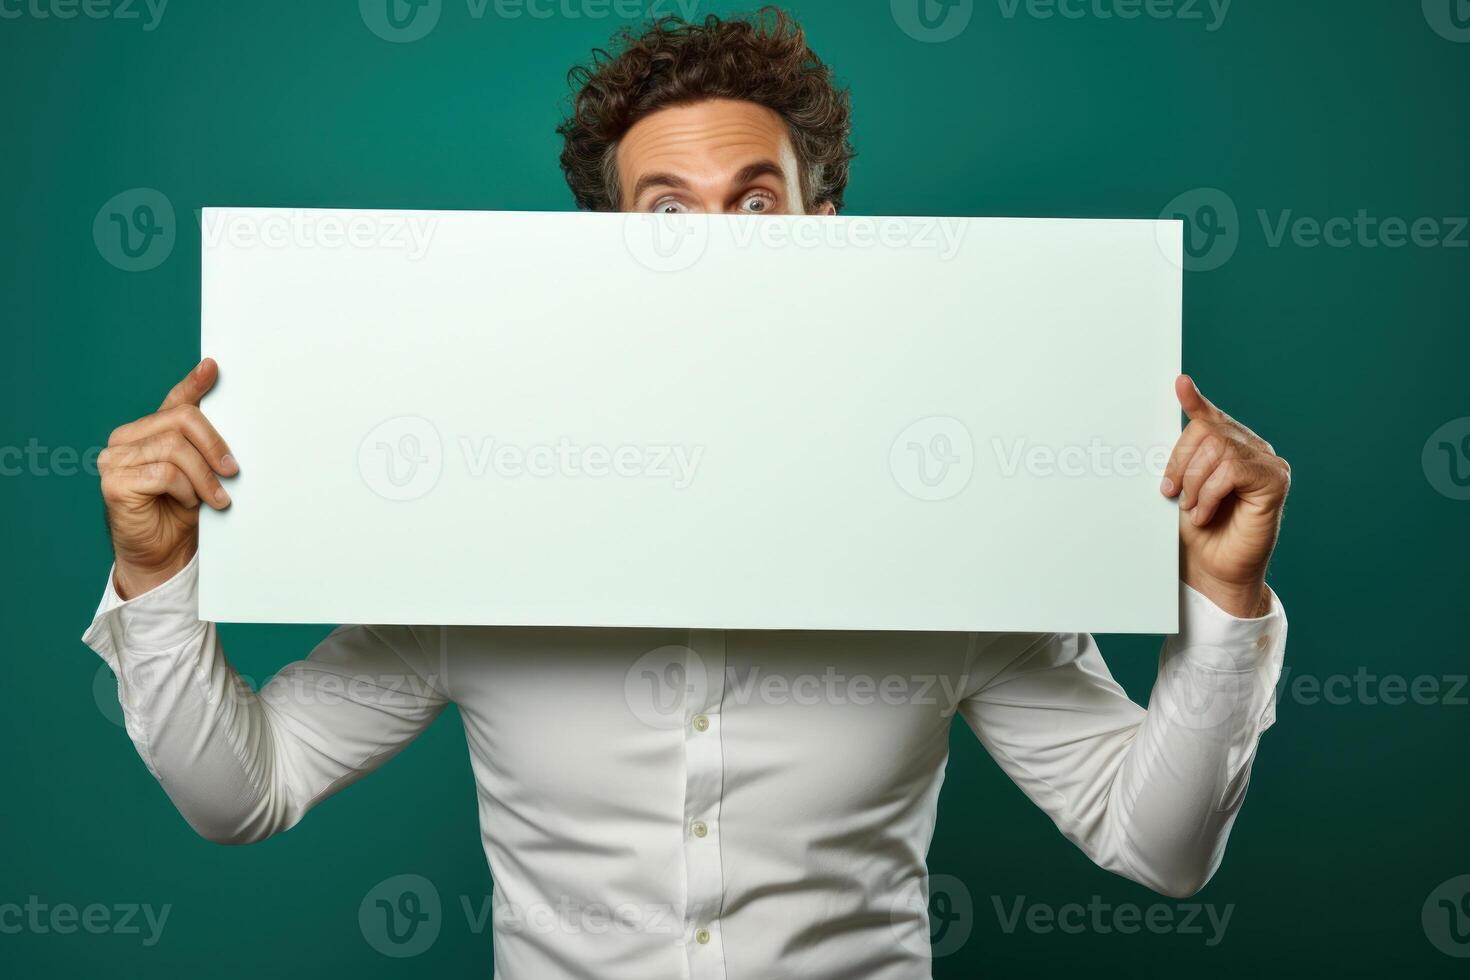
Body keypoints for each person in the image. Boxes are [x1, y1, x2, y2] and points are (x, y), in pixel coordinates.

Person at [85, 9, 1290, 979]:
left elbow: (1158, 842)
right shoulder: (469, 535)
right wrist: (156, 577)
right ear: (601, 245)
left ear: (827, 227)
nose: (714, 246)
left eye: (755, 202)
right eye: (665, 212)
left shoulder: (960, 535)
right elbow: (244, 791)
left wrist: (1227, 601)